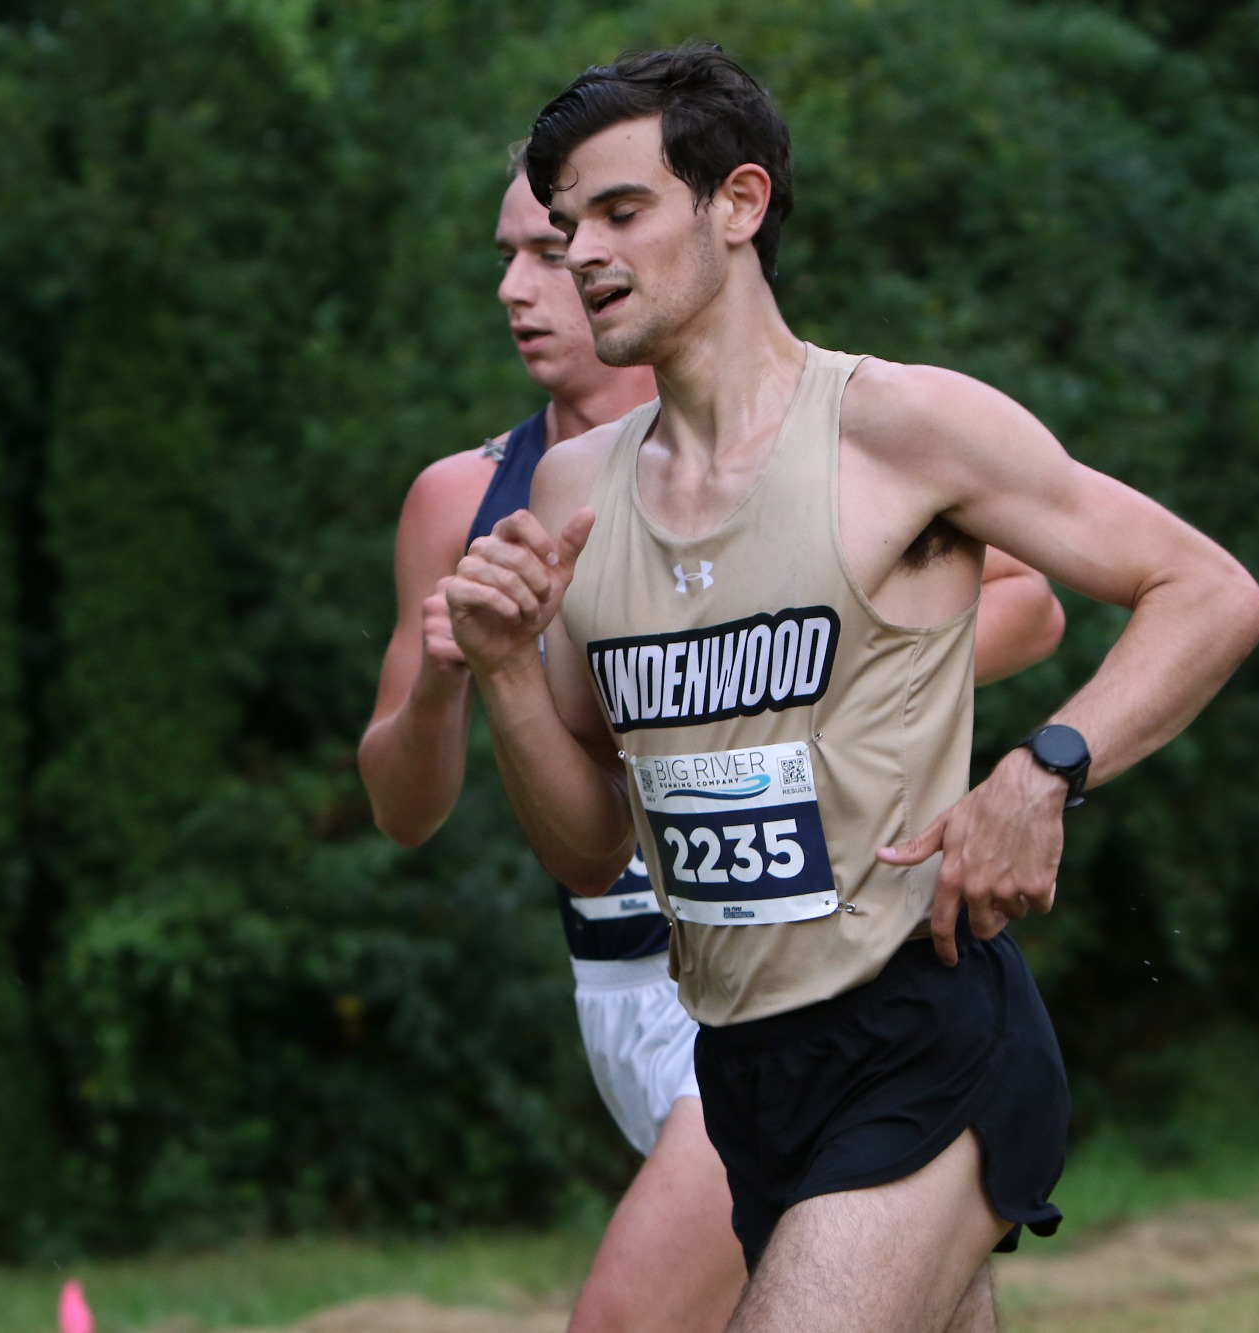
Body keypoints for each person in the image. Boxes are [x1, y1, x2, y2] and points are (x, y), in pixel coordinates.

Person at [444, 45, 1259, 1333]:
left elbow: (1207, 590)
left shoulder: (899, 429)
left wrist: (1043, 768)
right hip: (742, 1067)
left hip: (920, 1029)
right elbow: (589, 839)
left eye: (618, 212)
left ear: (738, 204)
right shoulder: (573, 494)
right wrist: (500, 673)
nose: (581, 255)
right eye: (562, 228)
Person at [358, 147, 1067, 1333]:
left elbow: (1032, 601)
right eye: (517, 256)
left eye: (557, 246)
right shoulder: (467, 498)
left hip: (806, 977)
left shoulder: (792, 440)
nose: (530, 285)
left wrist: (750, 687)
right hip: (628, 979)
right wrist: (451, 682)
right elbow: (402, 807)